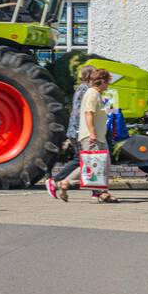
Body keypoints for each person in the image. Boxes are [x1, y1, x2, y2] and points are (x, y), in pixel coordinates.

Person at [47, 65, 119, 203]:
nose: (108, 85)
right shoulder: (92, 93)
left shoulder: (97, 94)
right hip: (92, 136)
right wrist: (92, 133)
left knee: (101, 164)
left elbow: (100, 113)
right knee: (92, 164)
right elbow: (88, 113)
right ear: (102, 81)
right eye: (108, 82)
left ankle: (102, 192)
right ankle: (63, 183)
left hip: (99, 136)